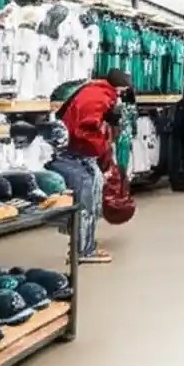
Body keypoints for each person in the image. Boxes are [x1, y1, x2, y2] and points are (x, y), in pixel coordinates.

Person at [55, 68, 131, 264]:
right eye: (122, 92)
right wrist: (101, 144)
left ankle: (84, 247)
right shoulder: (100, 95)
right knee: (86, 203)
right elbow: (84, 129)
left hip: (80, 154)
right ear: (119, 87)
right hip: (78, 154)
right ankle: (83, 251)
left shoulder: (97, 92)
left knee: (90, 202)